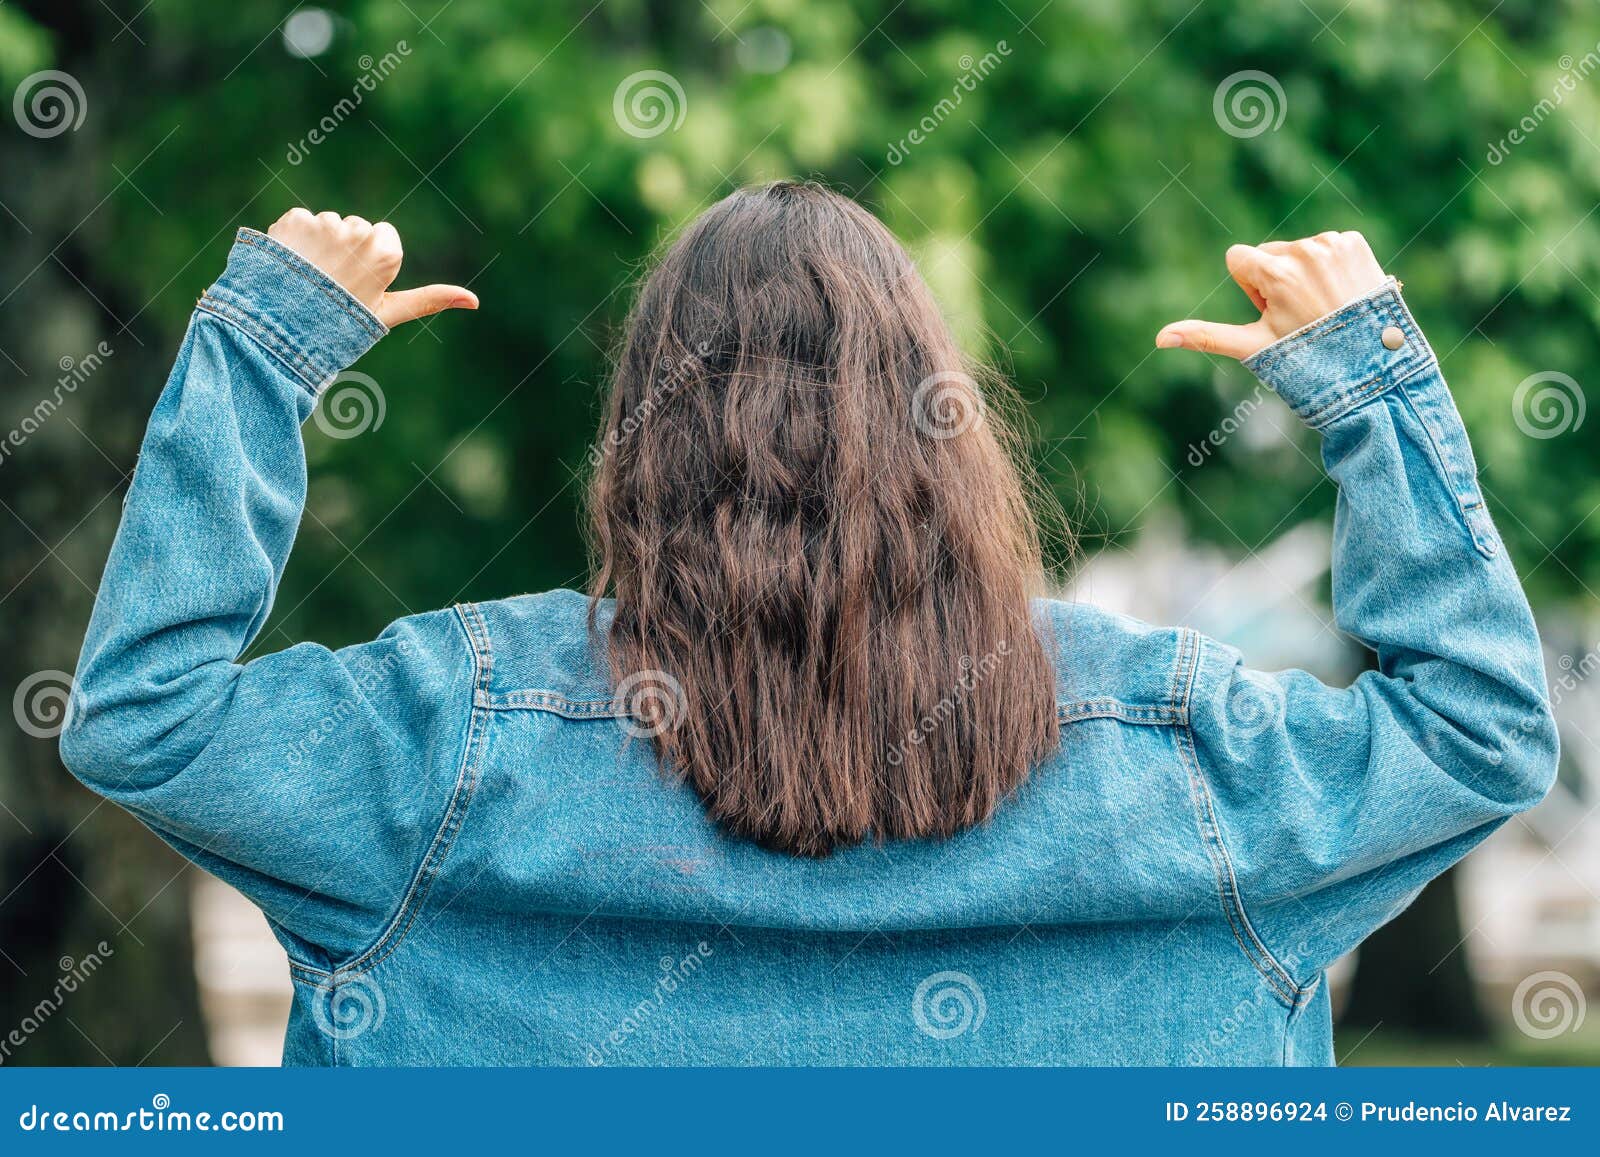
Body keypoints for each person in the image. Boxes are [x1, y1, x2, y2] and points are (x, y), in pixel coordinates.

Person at [60, 182, 1555, 1065]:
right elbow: (1481, 731)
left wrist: (267, 345)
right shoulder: (1177, 753)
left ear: (643, 438)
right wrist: (1366, 382)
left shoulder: (458, 736)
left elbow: (145, 716)